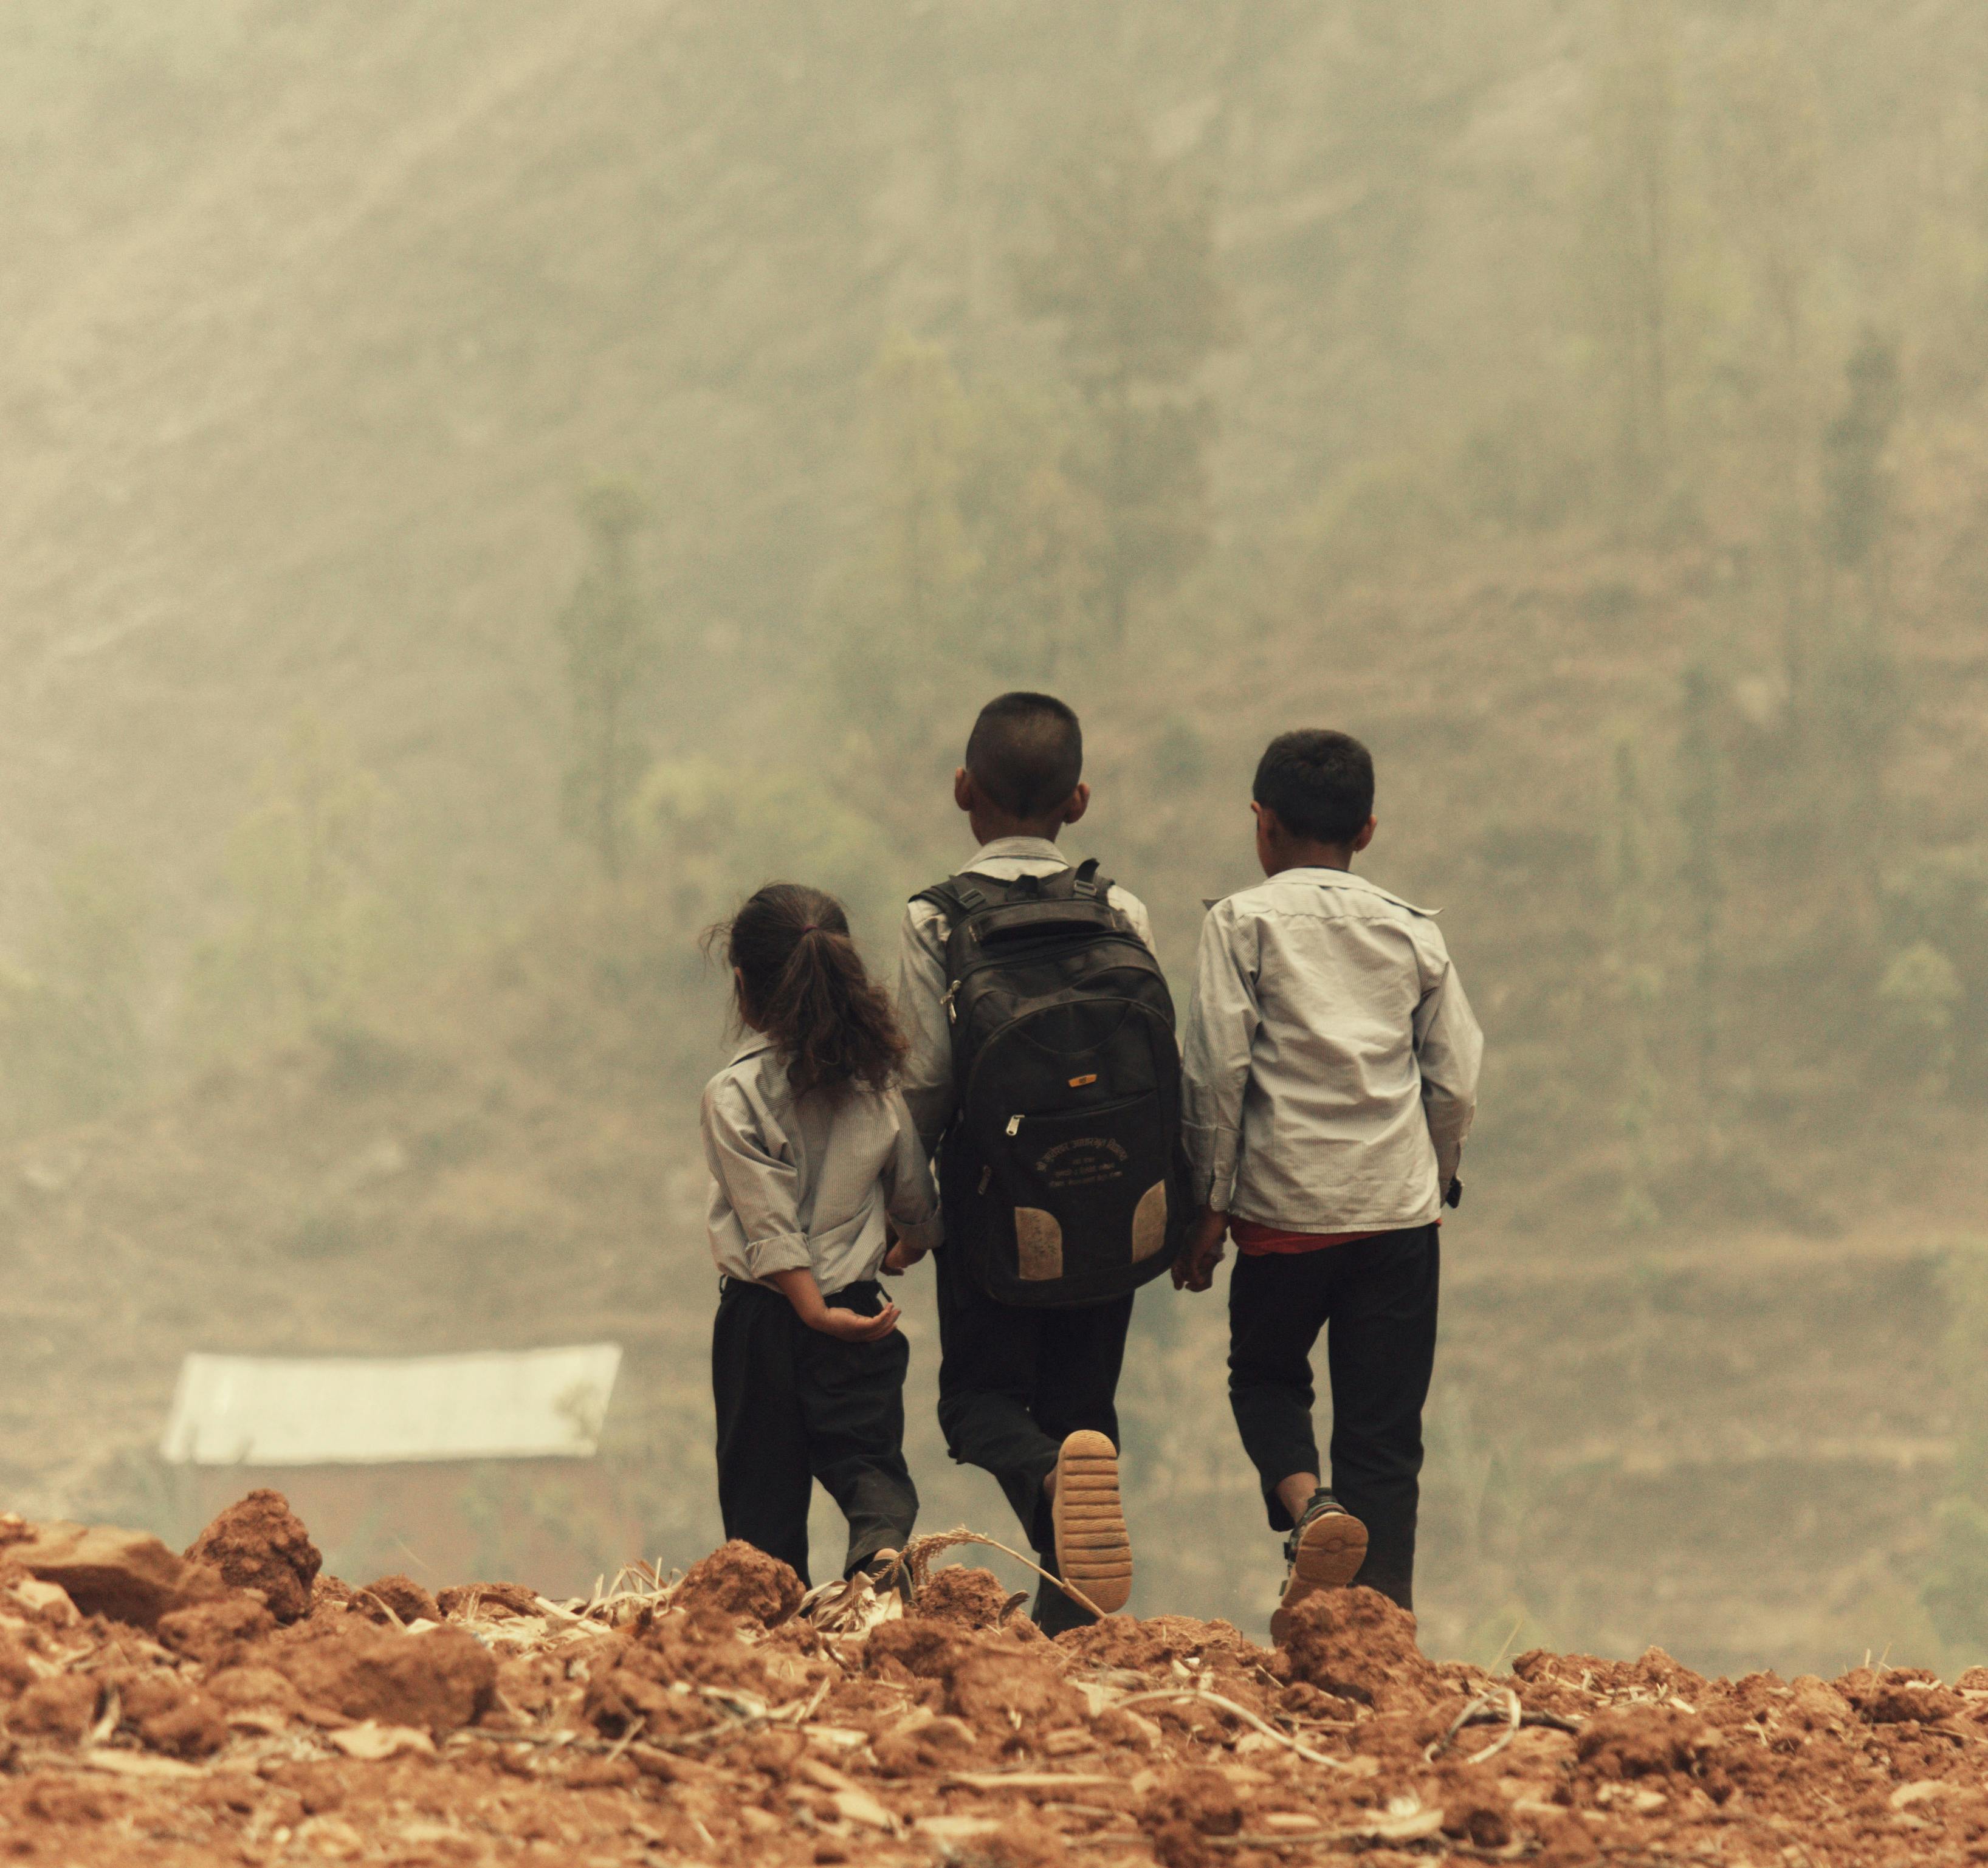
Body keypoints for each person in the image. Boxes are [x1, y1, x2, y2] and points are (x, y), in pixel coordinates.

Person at [1175, 729, 1482, 1639]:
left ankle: (1309, 1507)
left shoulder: (1239, 923)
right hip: (1395, 1215)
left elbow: (1215, 1075)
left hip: (1281, 1216)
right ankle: (1381, 1625)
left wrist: (1210, 1201)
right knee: (1385, 1433)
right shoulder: (1412, 930)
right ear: (1369, 829)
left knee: (1264, 1377)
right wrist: (1436, 1174)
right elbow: (1455, 1077)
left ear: (1260, 825)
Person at [895, 692, 1163, 1633]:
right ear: (1077, 801)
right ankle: (1072, 1623)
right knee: (1083, 1403)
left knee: (977, 1404)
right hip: (1112, 1204)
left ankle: (1054, 1481)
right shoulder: (1118, 909)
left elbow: (924, 1082)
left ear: (963, 789)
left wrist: (913, 1215)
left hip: (992, 1212)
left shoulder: (935, 922)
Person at [702, 881, 941, 1592]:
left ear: (744, 986)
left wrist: (807, 1308)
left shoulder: (734, 1093)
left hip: (764, 1323)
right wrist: (911, 1243)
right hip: (860, 1311)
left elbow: (766, 1217)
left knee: (761, 1506)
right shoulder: (875, 1082)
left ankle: (778, 1638)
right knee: (871, 1468)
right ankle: (877, 1559)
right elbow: (912, 1192)